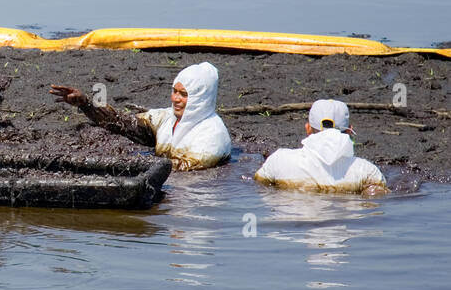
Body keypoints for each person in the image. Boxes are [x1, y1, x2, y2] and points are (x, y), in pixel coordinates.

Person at [50, 61, 231, 170]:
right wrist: (87, 104)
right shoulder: (167, 119)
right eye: (174, 91)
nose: (175, 99)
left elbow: (186, 172)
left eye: (183, 95)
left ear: (201, 98)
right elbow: (122, 123)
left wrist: (136, 162)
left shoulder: (212, 136)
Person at [255, 99, 386, 194]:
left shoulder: (279, 160)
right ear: (349, 131)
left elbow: (260, 186)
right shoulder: (366, 171)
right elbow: (375, 199)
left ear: (308, 128)